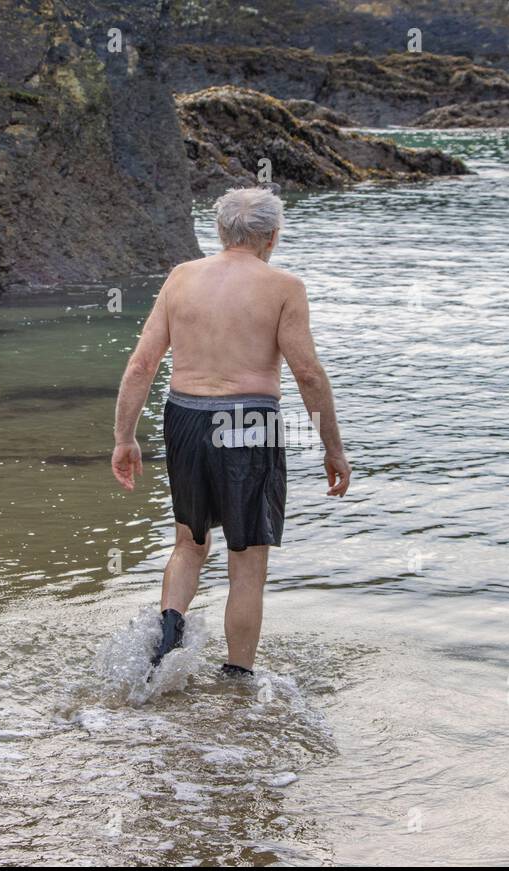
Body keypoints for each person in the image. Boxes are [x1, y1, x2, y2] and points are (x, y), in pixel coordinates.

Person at [111, 186, 351, 678]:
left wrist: (124, 438)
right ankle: (237, 679)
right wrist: (333, 447)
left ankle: (168, 639)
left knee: (189, 543)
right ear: (273, 237)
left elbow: (141, 366)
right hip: (248, 421)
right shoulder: (283, 287)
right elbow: (306, 373)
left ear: (219, 232)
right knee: (246, 558)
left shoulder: (181, 278)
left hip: (185, 416)